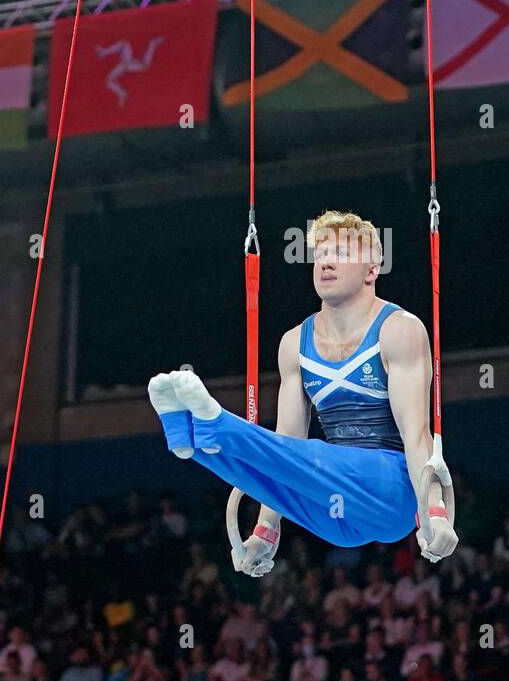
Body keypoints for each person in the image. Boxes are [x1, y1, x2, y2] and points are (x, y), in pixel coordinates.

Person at [148, 209, 458, 576]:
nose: (326, 262)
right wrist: (265, 531)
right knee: (272, 462)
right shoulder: (294, 343)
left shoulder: (398, 330)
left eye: (341, 254)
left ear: (372, 271)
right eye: (321, 254)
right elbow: (285, 446)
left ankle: (215, 424)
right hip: (334, 515)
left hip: (391, 494)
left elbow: (417, 436)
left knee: (312, 455)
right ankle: (193, 437)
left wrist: (434, 510)